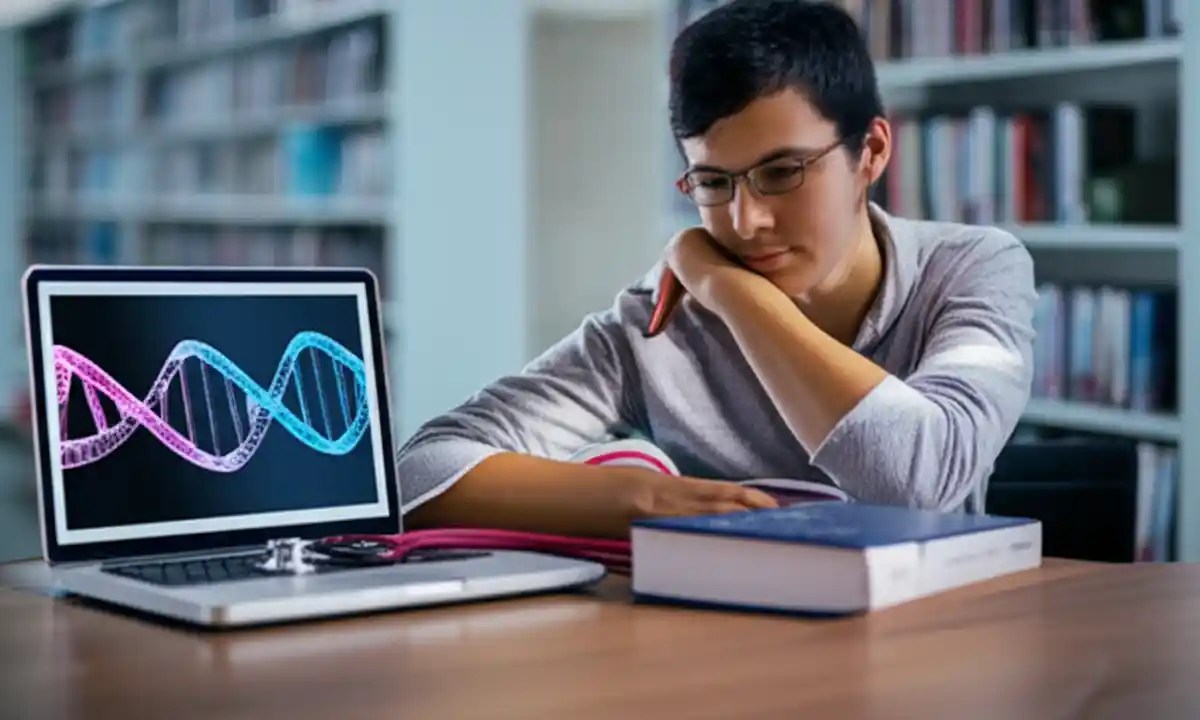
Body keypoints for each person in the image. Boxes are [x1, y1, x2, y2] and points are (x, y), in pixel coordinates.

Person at [395, 0, 1037, 538]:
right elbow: (421, 472)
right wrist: (642, 500)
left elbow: (916, 477)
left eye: (782, 172)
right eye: (712, 182)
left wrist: (733, 293)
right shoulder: (658, 324)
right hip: (720, 660)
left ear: (870, 151)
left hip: (926, 647)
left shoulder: (974, 267)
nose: (745, 220)